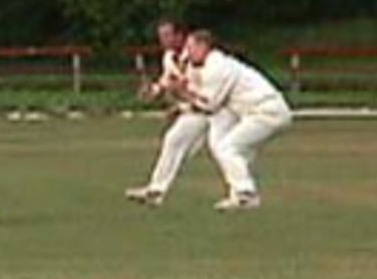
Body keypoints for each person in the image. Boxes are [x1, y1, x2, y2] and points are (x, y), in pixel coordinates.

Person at [174, 30, 292, 211]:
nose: (188, 52)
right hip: (260, 112)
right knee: (236, 152)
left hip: (267, 111)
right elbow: (207, 102)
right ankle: (238, 195)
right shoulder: (213, 66)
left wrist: (183, 92)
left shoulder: (219, 67)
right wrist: (183, 100)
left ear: (203, 46)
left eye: (190, 47)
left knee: (228, 147)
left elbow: (211, 105)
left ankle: (246, 193)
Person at [124, 19, 232, 206]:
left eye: (167, 35)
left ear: (179, 36)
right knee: (173, 140)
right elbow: (168, 82)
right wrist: (154, 91)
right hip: (197, 110)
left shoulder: (199, 54)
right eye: (160, 36)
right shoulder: (169, 58)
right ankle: (156, 191)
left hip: (222, 108)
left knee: (225, 149)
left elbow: (200, 85)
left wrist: (179, 101)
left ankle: (241, 192)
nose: (163, 40)